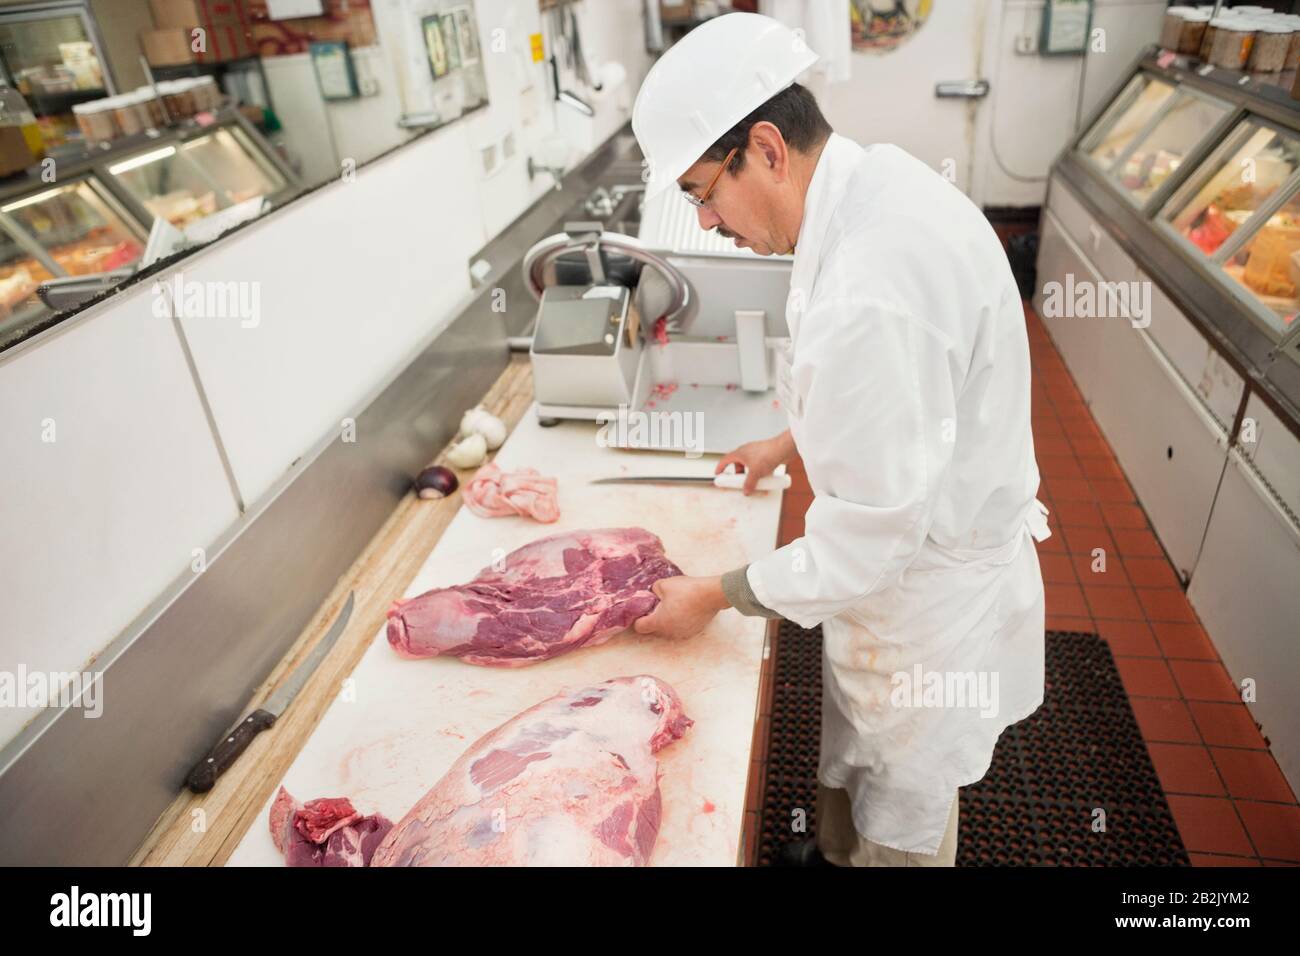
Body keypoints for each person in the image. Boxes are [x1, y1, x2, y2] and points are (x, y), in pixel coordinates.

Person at [629, 12, 1050, 867]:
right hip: (905, 567)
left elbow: (868, 542)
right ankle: (830, 854)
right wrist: (788, 444)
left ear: (768, 147)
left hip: (924, 594)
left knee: (901, 802)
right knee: (856, 755)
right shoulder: (869, 181)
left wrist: (713, 593)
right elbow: (892, 400)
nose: (705, 222)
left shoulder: (871, 285)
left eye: (703, 192)